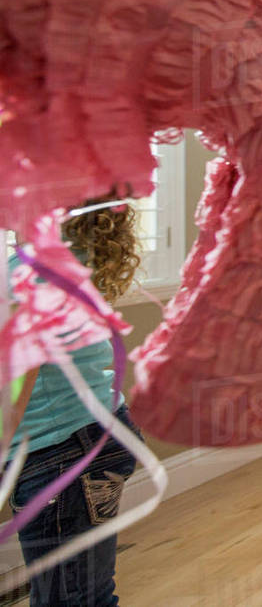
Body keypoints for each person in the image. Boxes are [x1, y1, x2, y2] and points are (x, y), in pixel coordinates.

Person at [7, 198, 143, 607]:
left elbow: (13, 384)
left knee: (69, 600)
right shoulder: (70, 258)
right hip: (94, 434)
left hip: (62, 454)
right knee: (85, 595)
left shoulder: (32, 271)